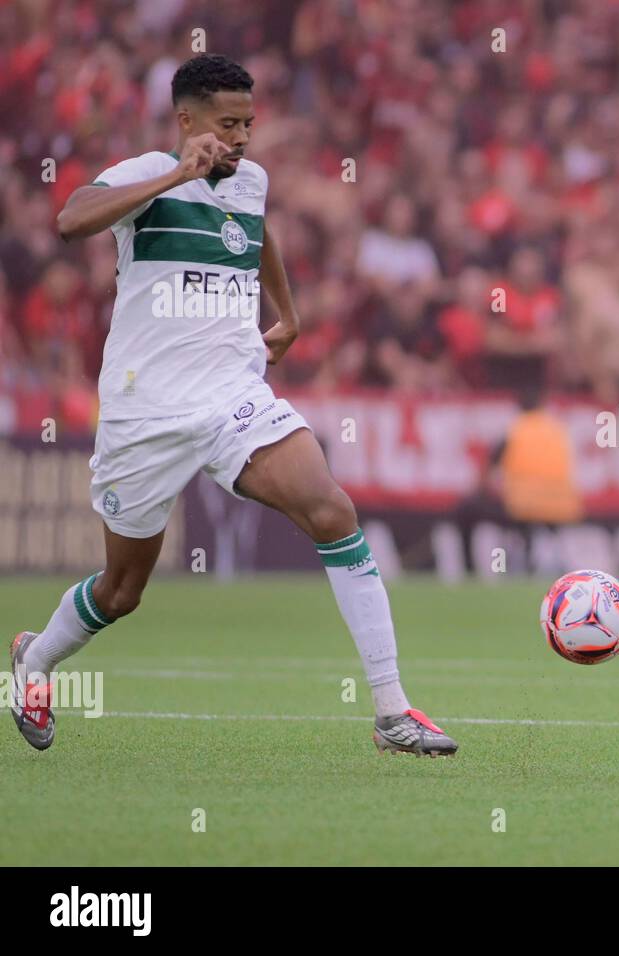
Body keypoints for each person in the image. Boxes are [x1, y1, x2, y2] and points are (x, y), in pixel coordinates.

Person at [11, 54, 456, 758]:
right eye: (228, 123)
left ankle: (391, 711)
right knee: (123, 592)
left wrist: (288, 311)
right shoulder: (142, 174)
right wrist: (176, 175)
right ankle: (35, 661)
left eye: (249, 122)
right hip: (145, 412)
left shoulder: (251, 181)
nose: (243, 136)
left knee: (332, 509)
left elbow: (257, 231)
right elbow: (70, 221)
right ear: (187, 120)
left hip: (232, 396)